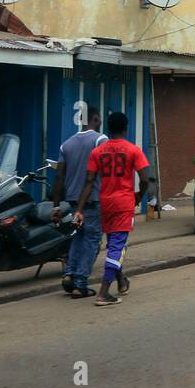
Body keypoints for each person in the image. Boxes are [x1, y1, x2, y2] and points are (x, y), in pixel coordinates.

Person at [76, 111, 152, 308]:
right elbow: (145, 179)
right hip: (124, 203)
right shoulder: (133, 150)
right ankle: (103, 293)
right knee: (117, 248)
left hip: (105, 203)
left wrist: (79, 209)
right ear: (126, 127)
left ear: (108, 128)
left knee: (114, 245)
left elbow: (89, 181)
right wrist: (138, 196)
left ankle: (121, 281)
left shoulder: (97, 152)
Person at [51, 109, 107, 299]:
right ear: (96, 119)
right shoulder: (100, 140)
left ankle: (69, 275)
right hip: (93, 199)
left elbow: (59, 177)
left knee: (77, 237)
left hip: (73, 201)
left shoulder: (66, 145)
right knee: (92, 240)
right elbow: (105, 172)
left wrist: (56, 206)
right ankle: (80, 283)